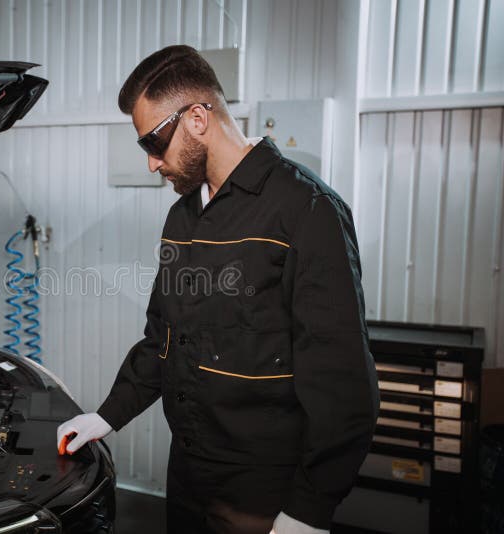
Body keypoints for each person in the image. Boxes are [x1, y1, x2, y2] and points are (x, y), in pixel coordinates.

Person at [57, 45, 379, 534]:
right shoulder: (182, 218)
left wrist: (308, 511)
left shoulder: (307, 210)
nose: (151, 163)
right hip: (187, 476)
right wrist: (105, 417)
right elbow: (162, 339)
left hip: (263, 496)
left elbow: (343, 384)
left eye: (153, 143)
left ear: (198, 118)